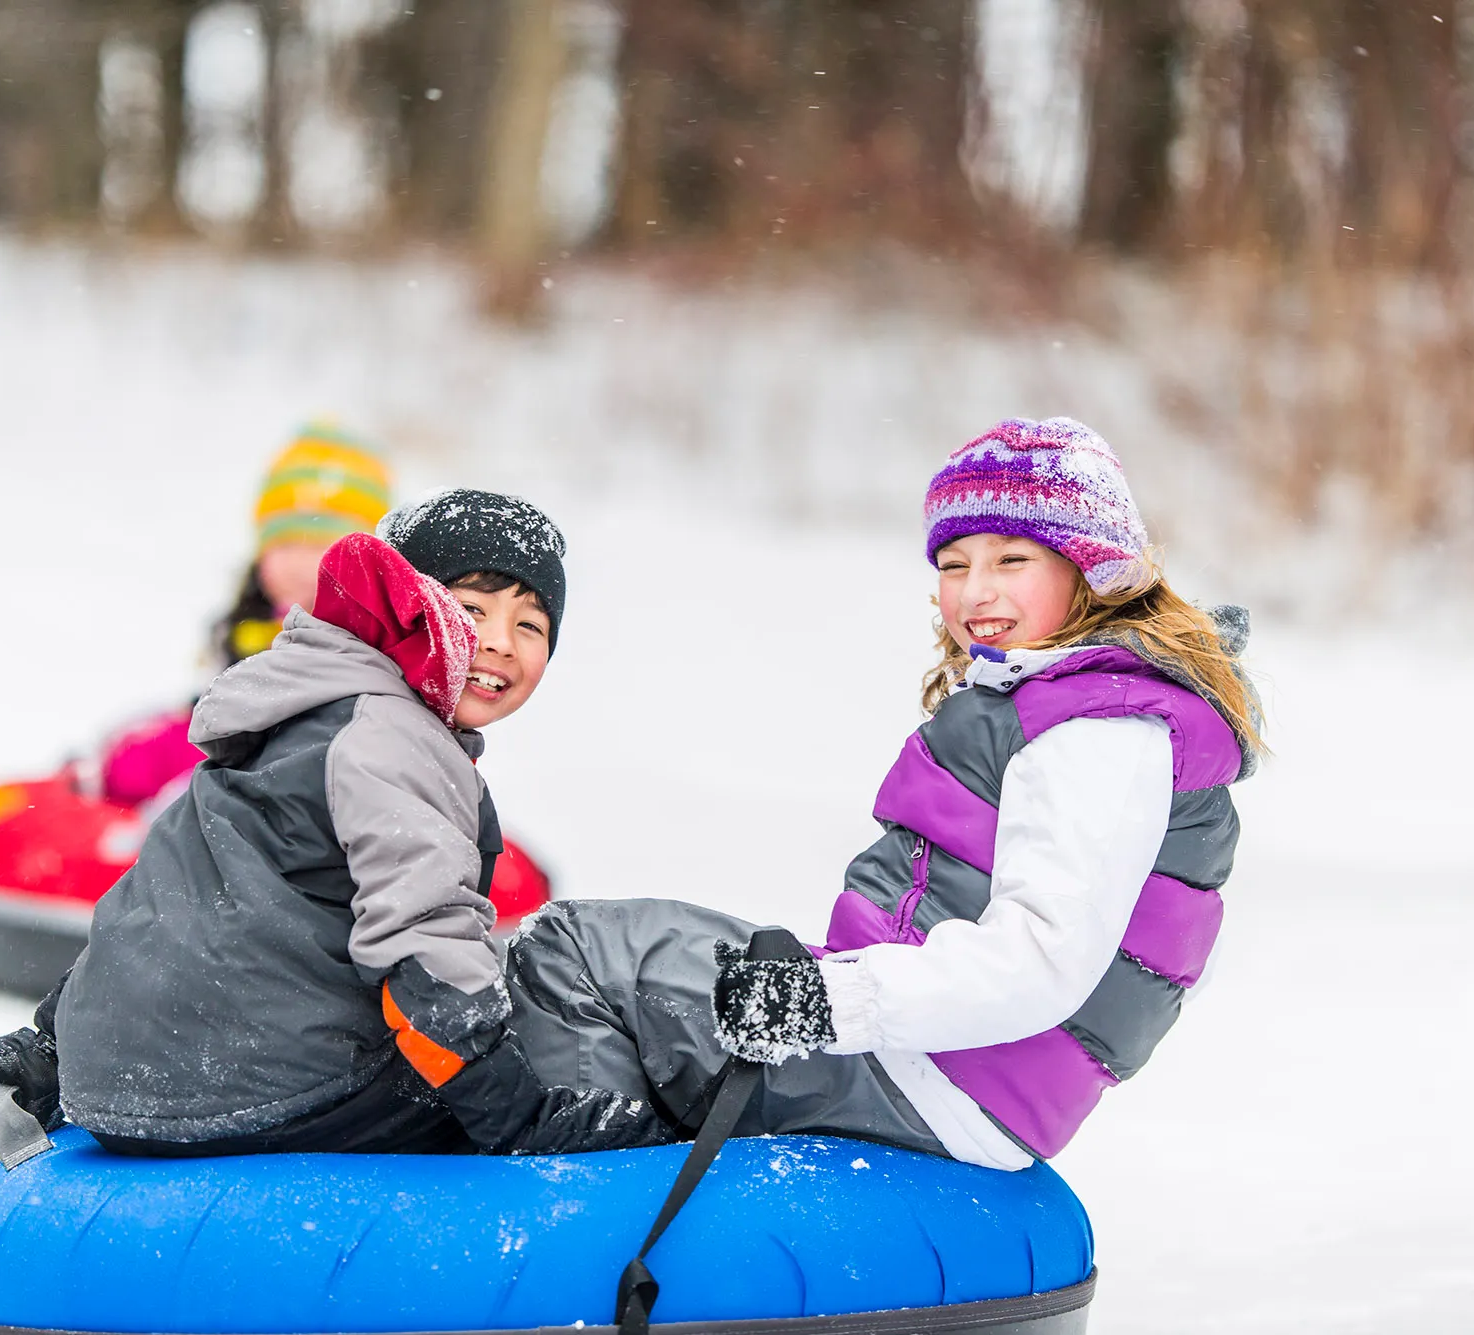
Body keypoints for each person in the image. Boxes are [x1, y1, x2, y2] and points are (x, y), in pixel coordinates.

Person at [483, 416, 1263, 1168]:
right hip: (943, 1060)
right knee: (626, 951)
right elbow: (1152, 935)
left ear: (1092, 568)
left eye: (1011, 559)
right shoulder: (1104, 707)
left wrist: (829, 1000)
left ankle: (578, 1214)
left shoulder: (1098, 731)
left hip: (931, 1079)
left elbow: (1042, 958)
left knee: (572, 950)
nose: (975, 591)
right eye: (954, 564)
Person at [0, 491, 667, 1162]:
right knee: (544, 1017)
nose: (502, 641)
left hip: (124, 1089)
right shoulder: (392, 735)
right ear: (404, 605)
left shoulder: (296, 708)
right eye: (473, 609)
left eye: (531, 625)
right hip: (261, 1093)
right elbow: (423, 944)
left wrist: (52, 1046)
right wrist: (522, 1118)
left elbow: (169, 897)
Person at [97, 423, 392, 810]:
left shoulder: (366, 639)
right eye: (284, 544)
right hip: (236, 774)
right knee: (129, 761)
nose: (298, 565)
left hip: (309, 792)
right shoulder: (249, 624)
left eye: (319, 546)